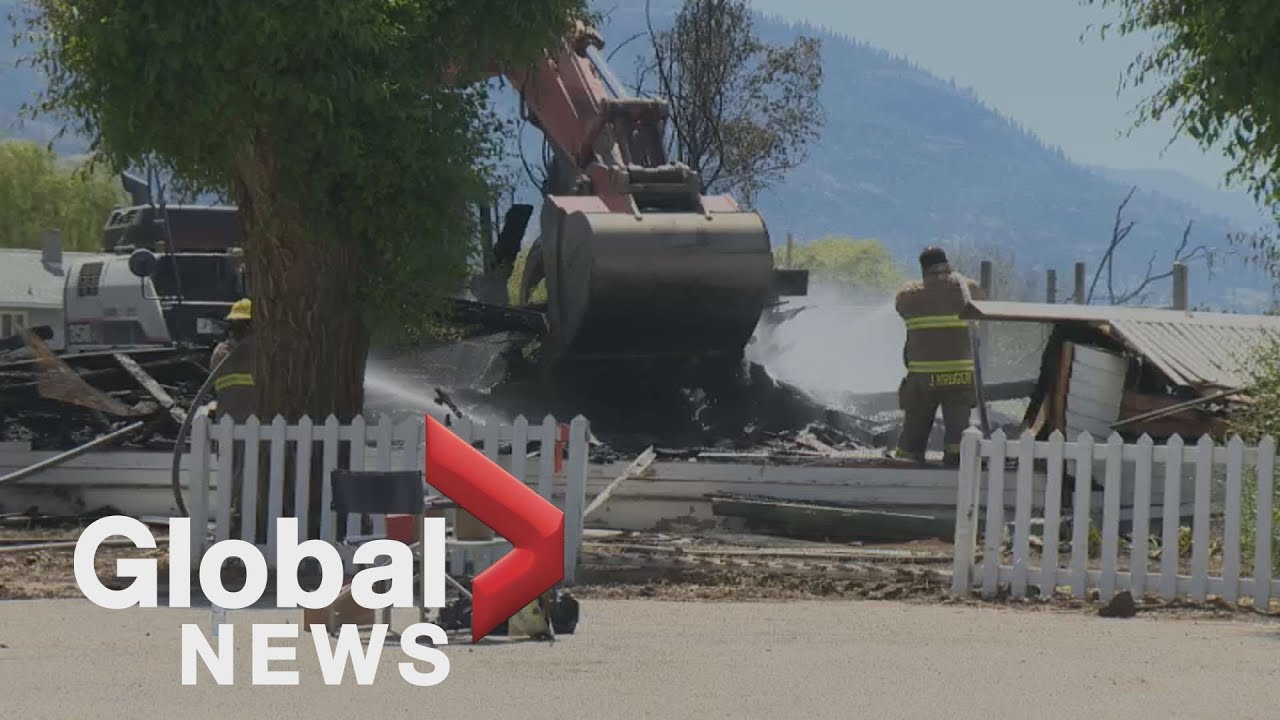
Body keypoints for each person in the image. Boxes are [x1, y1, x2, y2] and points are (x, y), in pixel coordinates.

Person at [893, 247, 984, 466]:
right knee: (960, 438)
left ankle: (907, 467)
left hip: (923, 378)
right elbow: (978, 296)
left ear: (923, 269)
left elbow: (901, 302)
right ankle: (957, 466)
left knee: (912, 438)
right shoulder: (968, 290)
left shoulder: (909, 295)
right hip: (960, 376)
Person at [209, 298, 256, 536]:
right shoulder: (230, 352)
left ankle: (238, 520)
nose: (240, 330)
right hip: (239, 422)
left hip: (236, 422)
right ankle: (237, 521)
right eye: (239, 325)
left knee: (239, 475)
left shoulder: (222, 351)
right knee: (238, 476)